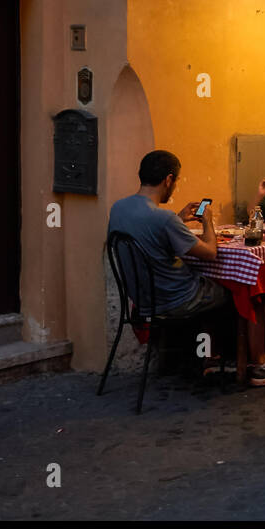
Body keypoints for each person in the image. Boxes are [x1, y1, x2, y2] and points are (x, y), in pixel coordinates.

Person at [107, 150, 229, 375]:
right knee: (229, 292)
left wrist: (178, 218)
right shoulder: (164, 219)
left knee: (207, 286)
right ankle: (217, 359)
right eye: (176, 181)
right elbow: (211, 253)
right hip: (175, 300)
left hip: (143, 300)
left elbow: (150, 230)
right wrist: (208, 222)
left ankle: (201, 356)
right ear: (169, 180)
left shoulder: (118, 208)